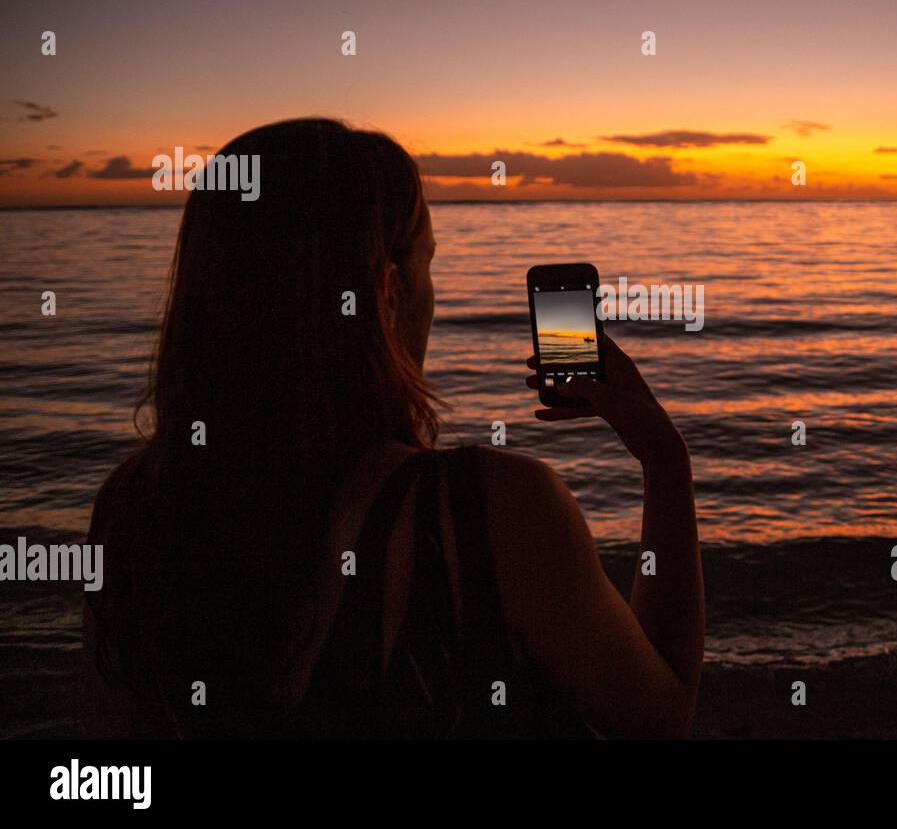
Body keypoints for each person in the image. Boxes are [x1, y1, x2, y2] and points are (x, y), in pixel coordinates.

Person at [82, 118, 703, 738]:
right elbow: (661, 722)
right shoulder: (488, 511)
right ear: (388, 290)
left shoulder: (133, 510)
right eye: (428, 262)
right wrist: (665, 460)